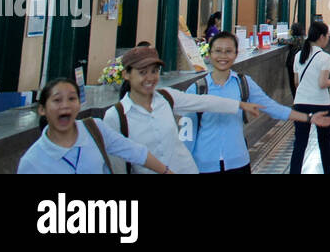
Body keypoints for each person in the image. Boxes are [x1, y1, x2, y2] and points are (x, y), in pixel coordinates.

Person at [101, 45, 261, 174]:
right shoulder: (115, 117)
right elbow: (116, 165)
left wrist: (239, 105)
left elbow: (203, 102)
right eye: (142, 73)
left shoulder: (166, 98)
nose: (150, 78)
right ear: (126, 75)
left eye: (154, 71)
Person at [191, 31, 330, 173]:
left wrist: (308, 118)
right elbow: (186, 135)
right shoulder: (197, 88)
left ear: (236, 54)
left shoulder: (243, 83)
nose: (223, 56)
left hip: (238, 161)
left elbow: (271, 107)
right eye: (218, 51)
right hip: (204, 164)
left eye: (228, 51)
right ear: (209, 54)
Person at [18, 77, 172, 174]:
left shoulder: (94, 128)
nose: (65, 106)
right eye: (57, 100)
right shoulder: (32, 161)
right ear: (42, 109)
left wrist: (166, 172)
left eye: (72, 99)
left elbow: (135, 152)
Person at [290, 20, 330, 173]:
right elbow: (322, 83)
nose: (327, 39)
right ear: (321, 37)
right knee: (324, 144)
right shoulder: (325, 57)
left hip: (300, 103)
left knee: (299, 144)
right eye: (327, 36)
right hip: (321, 104)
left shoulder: (299, 55)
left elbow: (296, 82)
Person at [283, 21, 306, 98]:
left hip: (292, 63)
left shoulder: (295, 39)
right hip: (301, 62)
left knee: (293, 83)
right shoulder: (302, 38)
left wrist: (278, 40)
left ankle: (295, 99)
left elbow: (283, 41)